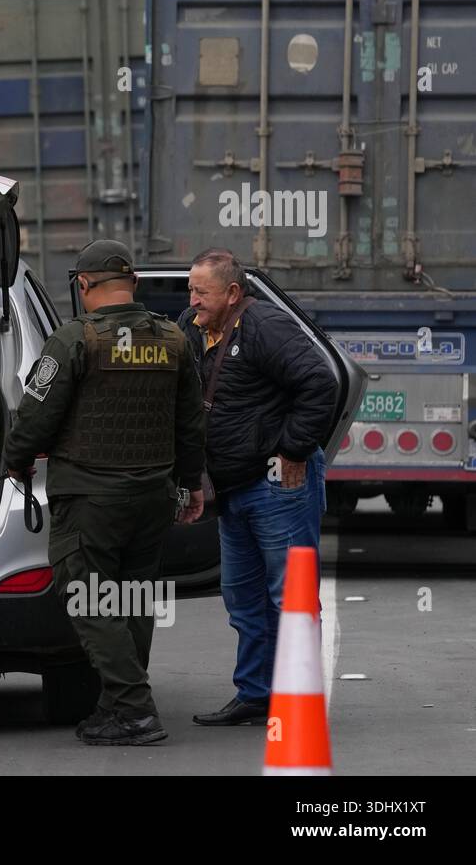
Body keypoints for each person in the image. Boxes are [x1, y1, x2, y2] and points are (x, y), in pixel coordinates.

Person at [4, 239, 205, 746]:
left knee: (90, 600)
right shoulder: (173, 340)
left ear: (84, 284)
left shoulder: (75, 340)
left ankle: (135, 711)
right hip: (154, 496)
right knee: (134, 599)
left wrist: (14, 461)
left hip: (91, 499)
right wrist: (189, 483)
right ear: (133, 283)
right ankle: (117, 707)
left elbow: (35, 418)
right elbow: (190, 422)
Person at [179, 249, 337, 726]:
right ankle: (257, 695)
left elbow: (319, 384)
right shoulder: (192, 327)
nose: (192, 300)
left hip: (277, 488)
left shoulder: (264, 325)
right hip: (233, 489)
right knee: (244, 599)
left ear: (231, 292)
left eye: (200, 291)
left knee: (289, 598)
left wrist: (291, 451)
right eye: (190, 289)